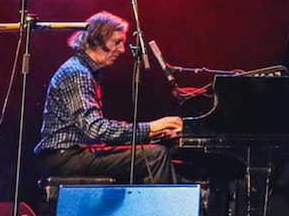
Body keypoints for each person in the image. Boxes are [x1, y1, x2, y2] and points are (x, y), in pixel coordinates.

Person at [33, 12, 184, 183]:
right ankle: (158, 202)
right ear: (98, 39)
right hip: (64, 158)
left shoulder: (83, 71)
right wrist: (151, 127)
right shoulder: (78, 73)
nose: (121, 49)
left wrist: (155, 133)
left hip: (72, 155)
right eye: (117, 42)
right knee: (155, 156)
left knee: (150, 153)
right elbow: (95, 129)